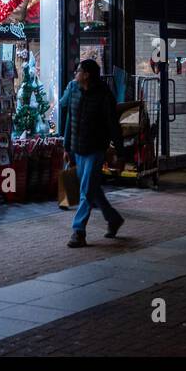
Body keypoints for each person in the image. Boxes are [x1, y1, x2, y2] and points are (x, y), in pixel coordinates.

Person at [60, 59, 123, 248]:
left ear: (86, 74)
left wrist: (119, 152)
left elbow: (113, 125)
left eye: (77, 71)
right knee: (92, 188)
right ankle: (113, 219)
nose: (75, 74)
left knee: (86, 190)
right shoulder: (74, 89)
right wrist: (66, 147)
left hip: (95, 149)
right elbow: (67, 113)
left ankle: (78, 231)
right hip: (78, 148)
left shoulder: (104, 95)